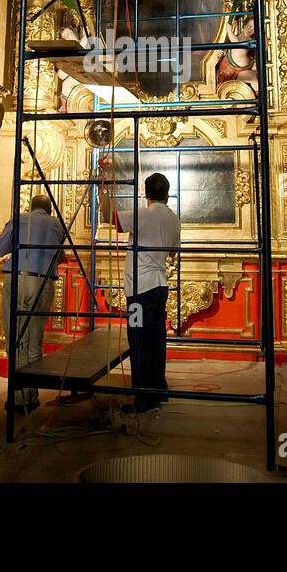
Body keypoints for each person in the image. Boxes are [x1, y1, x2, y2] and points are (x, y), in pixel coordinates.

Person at [0, 194, 67, 414]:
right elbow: (60, 256)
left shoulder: (19, 219)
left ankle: (17, 399)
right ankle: (31, 398)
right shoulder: (57, 225)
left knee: (16, 340)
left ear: (30, 206)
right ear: (49, 210)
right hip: (43, 281)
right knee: (35, 342)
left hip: (16, 278)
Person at [114, 173, 180, 414]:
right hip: (160, 285)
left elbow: (110, 218)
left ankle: (142, 397)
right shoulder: (174, 219)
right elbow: (173, 252)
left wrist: (104, 183)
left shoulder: (142, 214)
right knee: (157, 339)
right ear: (167, 192)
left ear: (145, 192)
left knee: (138, 341)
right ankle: (158, 389)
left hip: (139, 289)